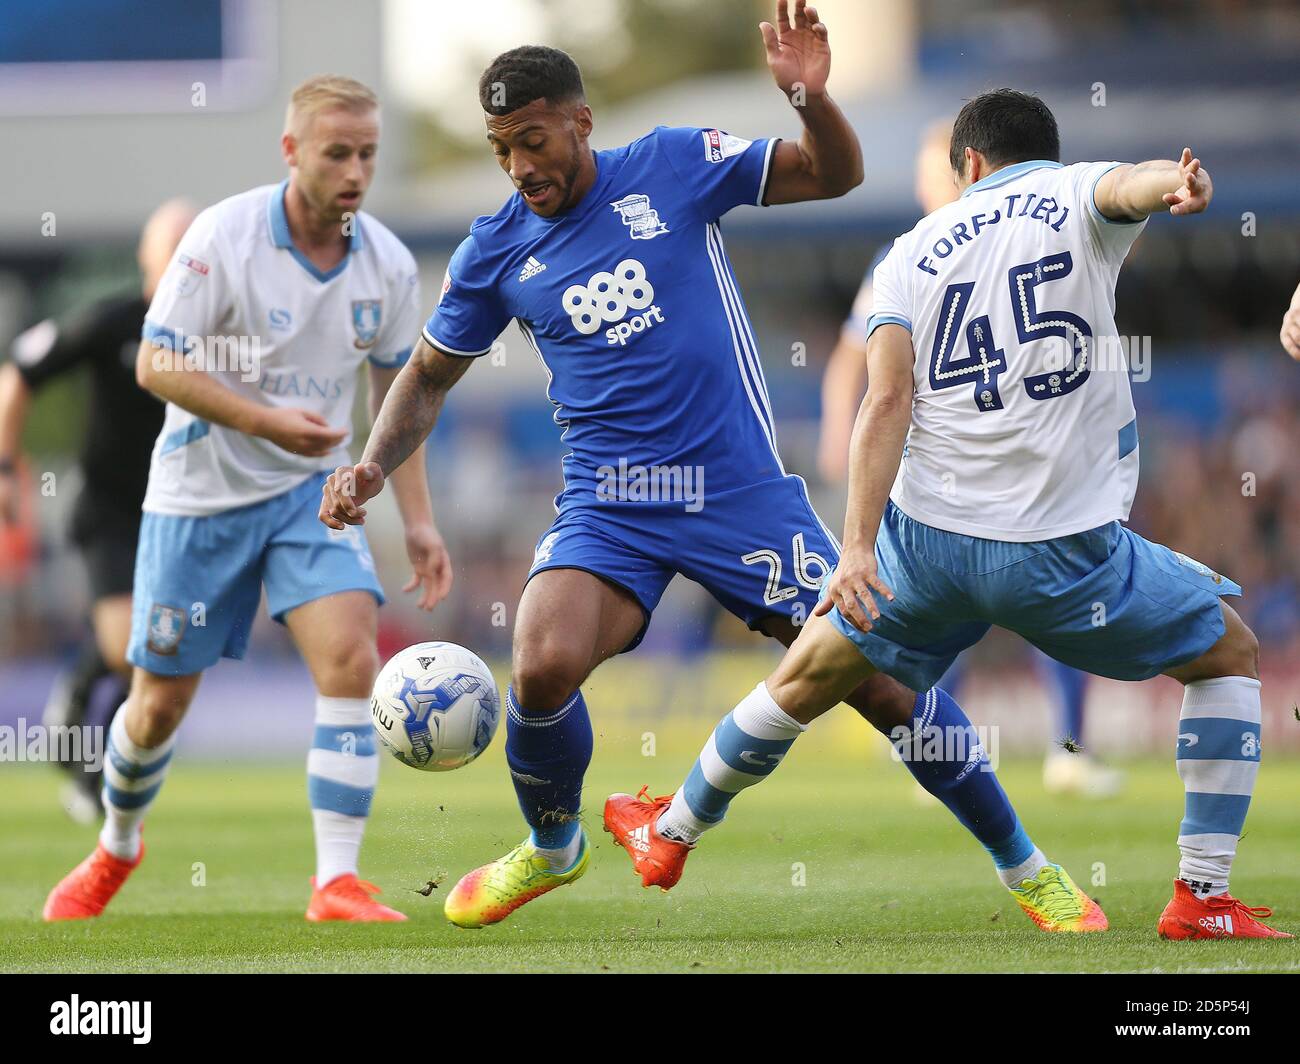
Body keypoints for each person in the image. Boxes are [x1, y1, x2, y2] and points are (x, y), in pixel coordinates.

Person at [323, 3, 1090, 934]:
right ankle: (553, 846)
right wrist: (370, 467)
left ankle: (1028, 867)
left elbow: (835, 173)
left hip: (740, 496)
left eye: (533, 140)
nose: (521, 167)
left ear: (580, 123)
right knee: (539, 664)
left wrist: (809, 98)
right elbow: (428, 377)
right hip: (610, 504)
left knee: (883, 683)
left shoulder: (675, 163)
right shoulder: (494, 250)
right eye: (500, 150)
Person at [606, 88, 1290, 941]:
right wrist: (1176, 186)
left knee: (806, 678)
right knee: (1229, 650)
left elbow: (884, 401)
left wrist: (854, 547)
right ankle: (1202, 896)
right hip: (1061, 550)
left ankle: (669, 833)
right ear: (1044, 151)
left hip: (923, 549)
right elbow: (1131, 187)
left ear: (966, 164)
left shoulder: (905, 255)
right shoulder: (1073, 193)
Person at [43, 75, 445, 923]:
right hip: (199, 500)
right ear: (292, 151)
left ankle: (335, 881)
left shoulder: (389, 262)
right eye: (337, 152)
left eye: (368, 153)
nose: (356, 172)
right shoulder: (221, 235)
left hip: (313, 494)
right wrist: (265, 418)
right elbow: (157, 363)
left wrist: (418, 520)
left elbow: (400, 401)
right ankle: (117, 843)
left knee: (350, 659)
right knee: (156, 707)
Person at [819, 121, 1118, 798]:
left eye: (945, 171)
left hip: (1025, 463)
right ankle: (935, 744)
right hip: (942, 473)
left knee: (1033, 604)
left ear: (970, 168)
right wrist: (841, 425)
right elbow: (853, 359)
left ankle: (1066, 746)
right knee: (958, 614)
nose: (940, 184)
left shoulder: (1021, 238)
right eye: (929, 173)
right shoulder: (902, 258)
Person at [0, 200, 196, 823]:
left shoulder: (220, 336)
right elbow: (21, 372)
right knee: (130, 650)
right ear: (149, 257)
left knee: (161, 655)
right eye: (175, 247)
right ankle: (79, 703)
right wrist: (6, 468)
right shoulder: (112, 322)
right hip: (111, 511)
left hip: (185, 517)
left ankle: (96, 767)